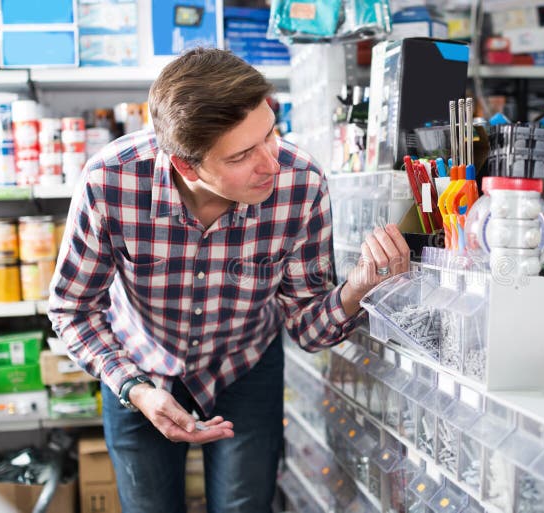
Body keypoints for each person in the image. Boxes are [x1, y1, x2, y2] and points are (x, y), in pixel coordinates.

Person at [48, 47, 410, 513]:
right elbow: (73, 309)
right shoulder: (111, 181)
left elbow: (306, 325)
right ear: (185, 165)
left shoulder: (302, 184)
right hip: (138, 367)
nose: (271, 164)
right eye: (242, 155)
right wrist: (135, 389)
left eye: (271, 134)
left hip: (245, 364)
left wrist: (357, 290)